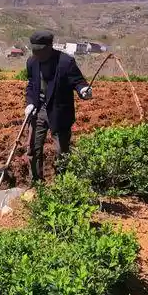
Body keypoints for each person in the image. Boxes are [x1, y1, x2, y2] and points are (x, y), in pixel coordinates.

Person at [23, 30, 92, 182]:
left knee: (62, 151)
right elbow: (31, 85)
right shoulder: (32, 62)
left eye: (40, 51)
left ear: (49, 47)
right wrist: (29, 103)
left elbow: (78, 82)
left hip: (59, 112)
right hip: (38, 110)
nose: (37, 54)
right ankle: (36, 183)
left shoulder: (65, 62)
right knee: (33, 148)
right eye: (34, 51)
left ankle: (62, 185)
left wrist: (83, 90)